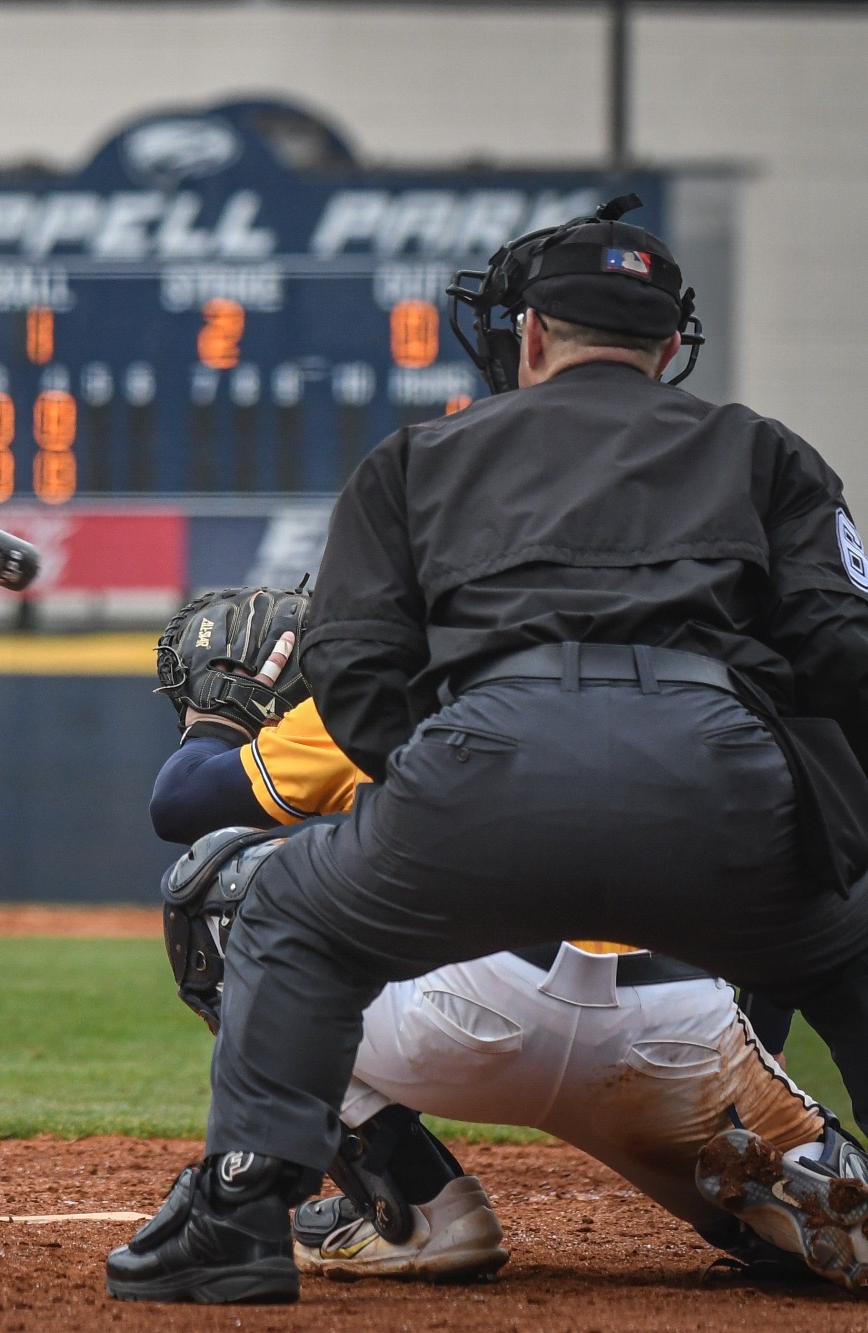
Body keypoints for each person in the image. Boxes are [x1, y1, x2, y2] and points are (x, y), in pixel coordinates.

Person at [106, 197, 868, 1304]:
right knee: (849, 945)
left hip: (483, 778)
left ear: (530, 337)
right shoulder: (763, 454)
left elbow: (358, 669)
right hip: (718, 793)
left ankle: (238, 1218)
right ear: (665, 350)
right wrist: (802, 818)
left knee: (280, 914)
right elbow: (844, 656)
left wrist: (447, 786)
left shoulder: (418, 458)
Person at [143, 593, 852, 1284]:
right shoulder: (694, 681)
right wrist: (760, 1038)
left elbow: (182, 801)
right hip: (677, 1032)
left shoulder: (400, 673)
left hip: (463, 1015)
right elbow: (792, 879)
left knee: (220, 893)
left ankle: (419, 1209)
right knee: (810, 1214)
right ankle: (782, 1194)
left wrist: (224, 710)